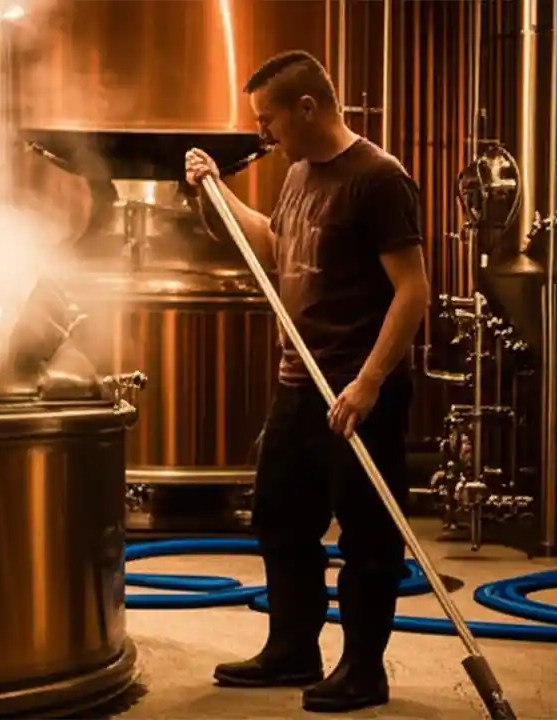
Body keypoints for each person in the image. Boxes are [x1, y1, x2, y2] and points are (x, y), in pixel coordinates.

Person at [185, 50, 429, 713]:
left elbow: (413, 291)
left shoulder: (379, 179)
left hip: (354, 391)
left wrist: (370, 382)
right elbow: (275, 244)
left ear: (307, 108)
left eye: (269, 120)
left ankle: (363, 671)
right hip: (299, 381)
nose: (264, 134)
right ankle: (293, 649)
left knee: (367, 539)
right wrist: (218, 191)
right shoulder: (297, 173)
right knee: (280, 520)